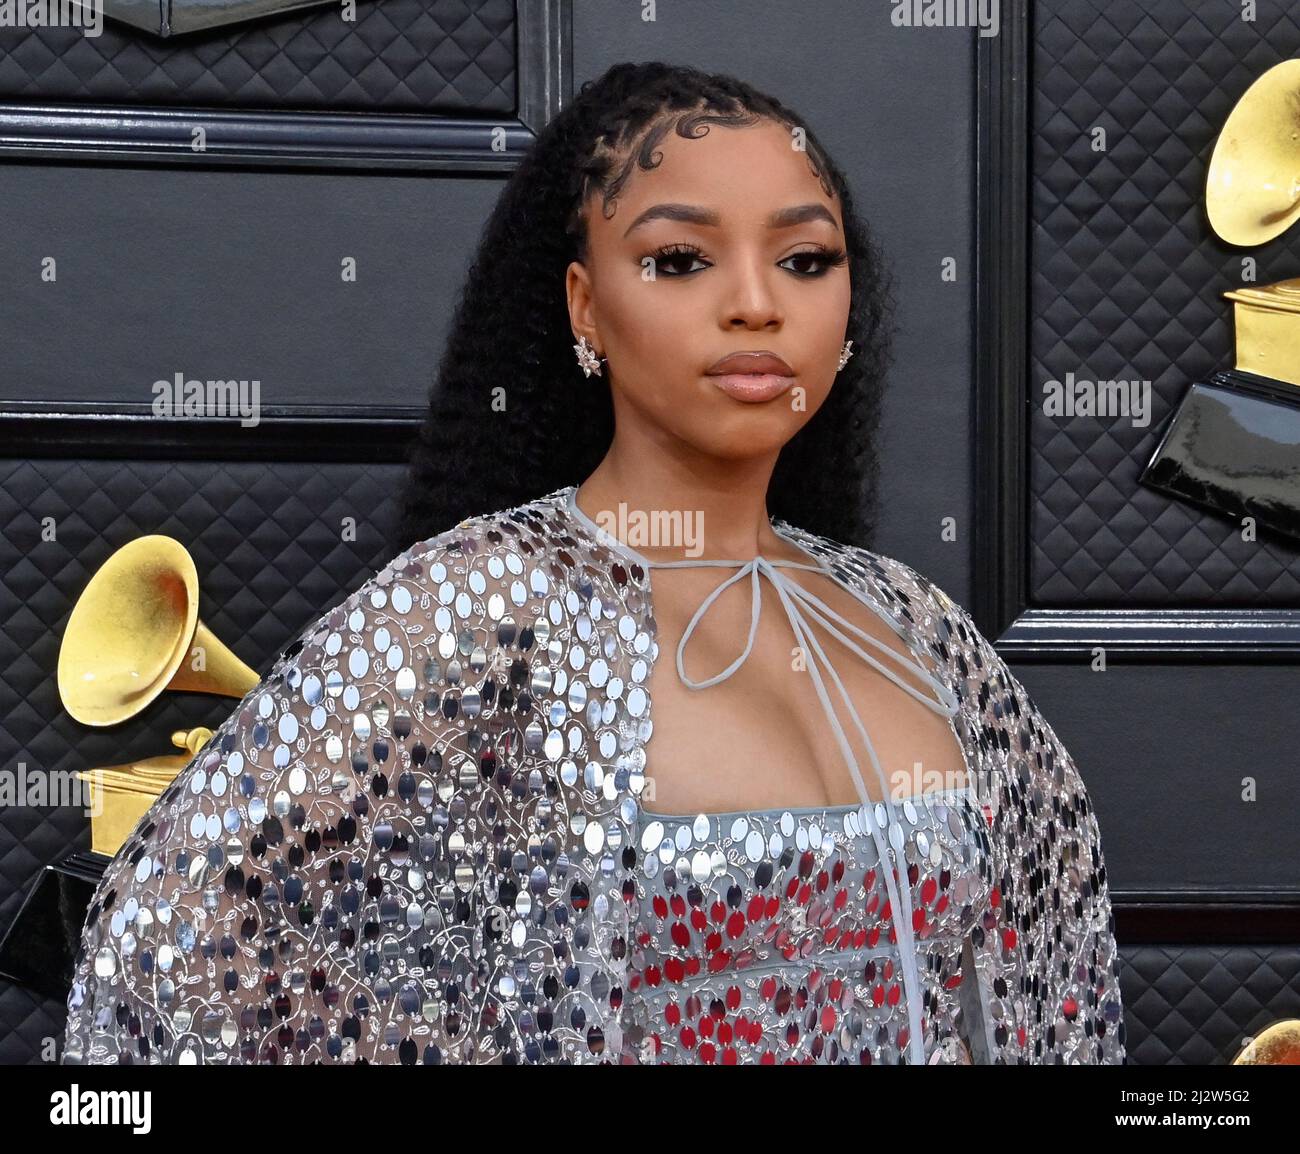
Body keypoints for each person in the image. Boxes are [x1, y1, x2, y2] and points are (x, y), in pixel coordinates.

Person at [62, 61, 1125, 1065]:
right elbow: (163, 955)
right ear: (584, 307)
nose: (757, 303)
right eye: (679, 259)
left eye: (804, 259)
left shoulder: (915, 624)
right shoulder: (476, 605)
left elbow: (1054, 962)